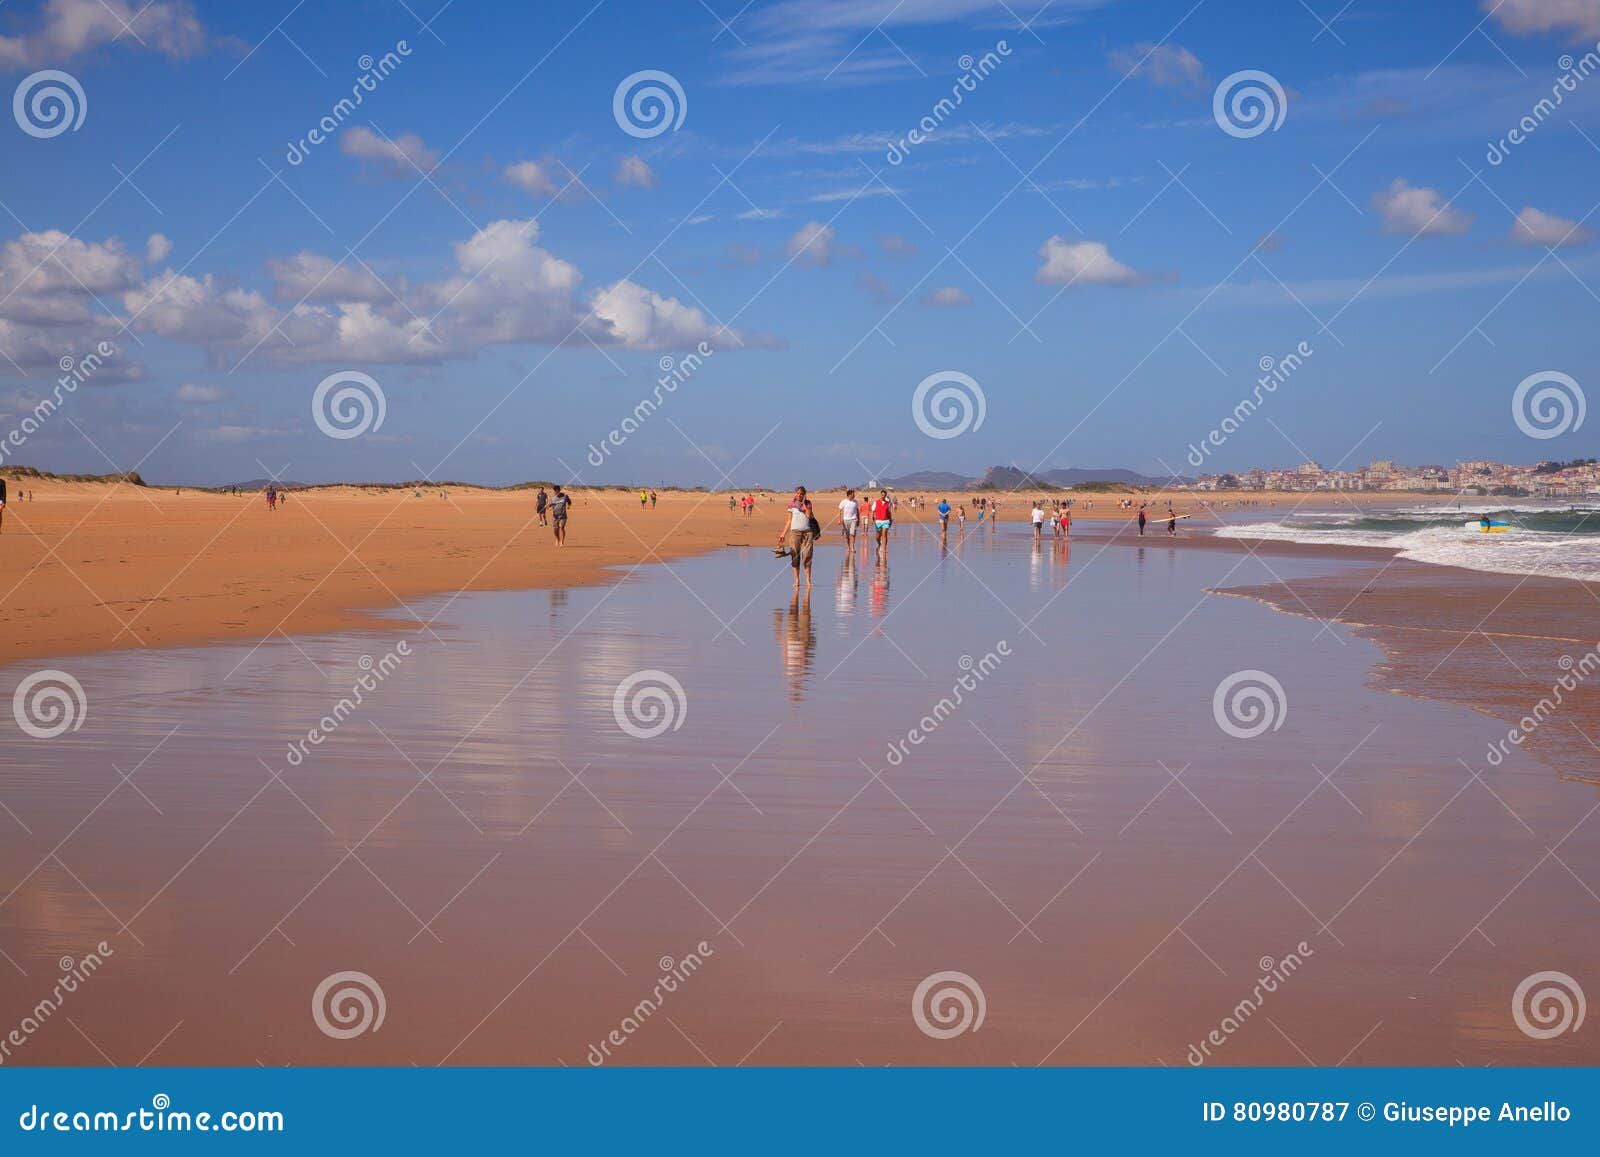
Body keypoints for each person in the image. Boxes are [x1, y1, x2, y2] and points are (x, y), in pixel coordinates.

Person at [777, 485, 815, 591]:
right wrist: (783, 534)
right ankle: (797, 580)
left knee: (807, 556)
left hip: (807, 533)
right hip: (795, 532)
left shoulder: (808, 503)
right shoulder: (791, 504)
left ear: (804, 494)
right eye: (798, 493)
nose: (799, 495)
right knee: (795, 556)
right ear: (795, 493)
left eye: (801, 494)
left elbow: (808, 515)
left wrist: (804, 504)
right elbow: (789, 520)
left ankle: (808, 580)